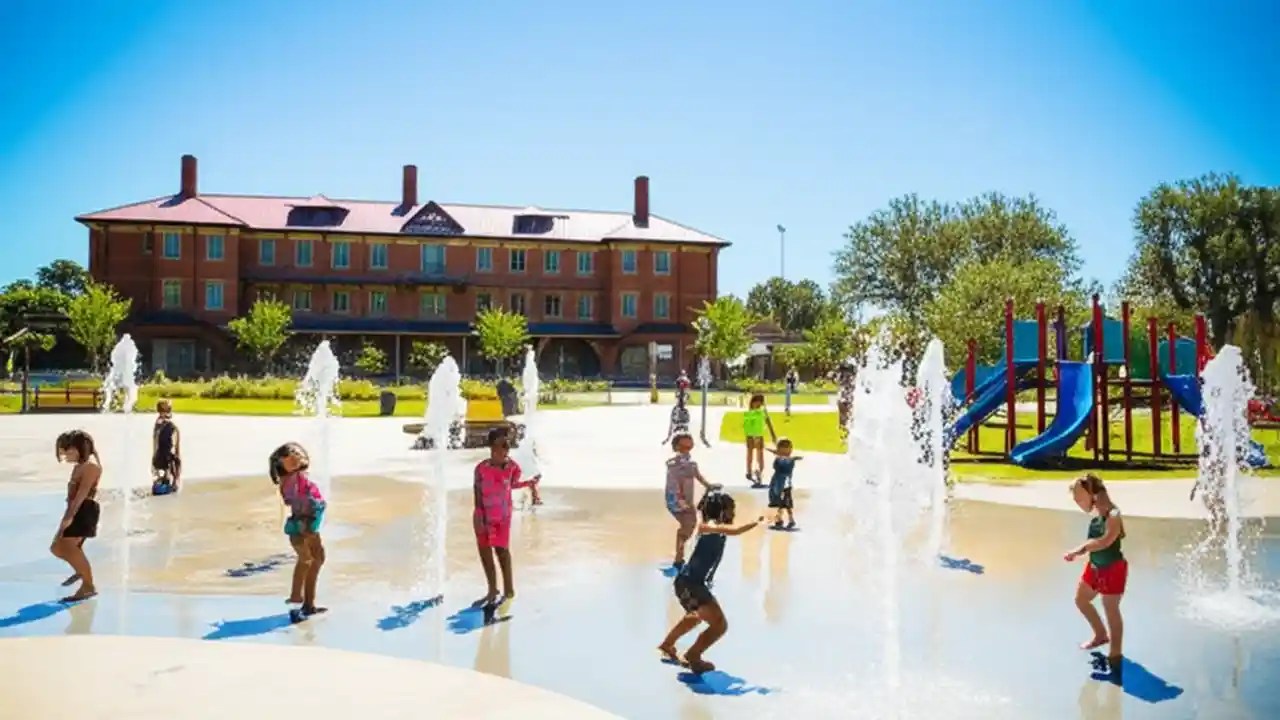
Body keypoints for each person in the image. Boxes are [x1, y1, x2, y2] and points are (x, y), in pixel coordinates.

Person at [657, 490, 764, 673]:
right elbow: (735, 531)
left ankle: (667, 645)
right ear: (721, 511)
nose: (733, 514)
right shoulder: (709, 526)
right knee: (720, 625)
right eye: (731, 510)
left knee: (696, 617)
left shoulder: (708, 525)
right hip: (691, 584)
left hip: (688, 582)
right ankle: (693, 656)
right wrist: (757, 523)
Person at [1063, 474, 1126, 667]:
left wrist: (1081, 549)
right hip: (1095, 566)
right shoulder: (1097, 515)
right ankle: (1100, 634)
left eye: (1079, 498)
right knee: (1081, 600)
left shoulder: (1113, 514)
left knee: (1111, 610)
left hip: (1113, 568)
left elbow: (1106, 541)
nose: (1077, 503)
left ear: (1093, 494)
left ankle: (1115, 654)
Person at [474, 427, 540, 605]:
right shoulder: (481, 469)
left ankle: (509, 588)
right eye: (502, 445)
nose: (505, 450)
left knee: (502, 552)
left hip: (502, 517)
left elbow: (514, 484)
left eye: (507, 446)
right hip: (483, 516)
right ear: (492, 447)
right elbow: (477, 494)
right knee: (485, 553)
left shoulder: (512, 467)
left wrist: (530, 484)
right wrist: (479, 516)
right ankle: (492, 589)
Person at [269, 442, 327, 618]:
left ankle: (308, 603)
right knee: (307, 559)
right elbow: (293, 500)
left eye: (298, 453)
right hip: (304, 525)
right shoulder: (290, 480)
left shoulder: (296, 477)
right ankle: (297, 598)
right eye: (292, 456)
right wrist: (309, 506)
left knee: (315, 559)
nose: (297, 456)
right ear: (282, 464)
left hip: (307, 523)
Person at [52, 430, 101, 603]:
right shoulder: (80, 466)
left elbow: (81, 495)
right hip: (76, 508)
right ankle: (81, 570)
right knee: (57, 547)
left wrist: (69, 517)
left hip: (84, 510)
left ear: (80, 448)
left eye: (67, 450)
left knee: (67, 547)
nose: (65, 455)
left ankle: (88, 585)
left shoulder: (90, 467)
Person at [665, 432, 718, 568]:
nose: (687, 449)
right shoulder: (675, 464)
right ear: (677, 447)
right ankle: (678, 558)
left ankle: (679, 557)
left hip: (686, 500)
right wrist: (679, 500)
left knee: (689, 526)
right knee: (688, 526)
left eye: (689, 446)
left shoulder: (691, 463)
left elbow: (698, 476)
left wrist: (709, 486)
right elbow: (673, 483)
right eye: (683, 446)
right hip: (678, 501)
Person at [766, 438, 802, 529]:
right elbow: (776, 467)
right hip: (779, 484)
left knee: (786, 504)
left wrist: (784, 458)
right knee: (782, 504)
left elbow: (787, 467)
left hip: (785, 486)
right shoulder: (779, 460)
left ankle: (787, 519)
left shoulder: (790, 461)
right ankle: (780, 519)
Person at [742, 394, 776, 486]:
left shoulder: (762, 412)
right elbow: (746, 425)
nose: (759, 404)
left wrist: (773, 435)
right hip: (750, 435)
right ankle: (749, 471)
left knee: (760, 454)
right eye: (757, 402)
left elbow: (768, 423)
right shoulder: (749, 412)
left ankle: (758, 471)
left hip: (758, 435)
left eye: (760, 403)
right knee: (750, 453)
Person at [151, 399, 182, 495]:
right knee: (171, 464)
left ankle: (172, 481)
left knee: (172, 464)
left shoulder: (161, 423)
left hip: (165, 450)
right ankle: (172, 482)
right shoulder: (165, 423)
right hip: (165, 450)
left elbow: (156, 439)